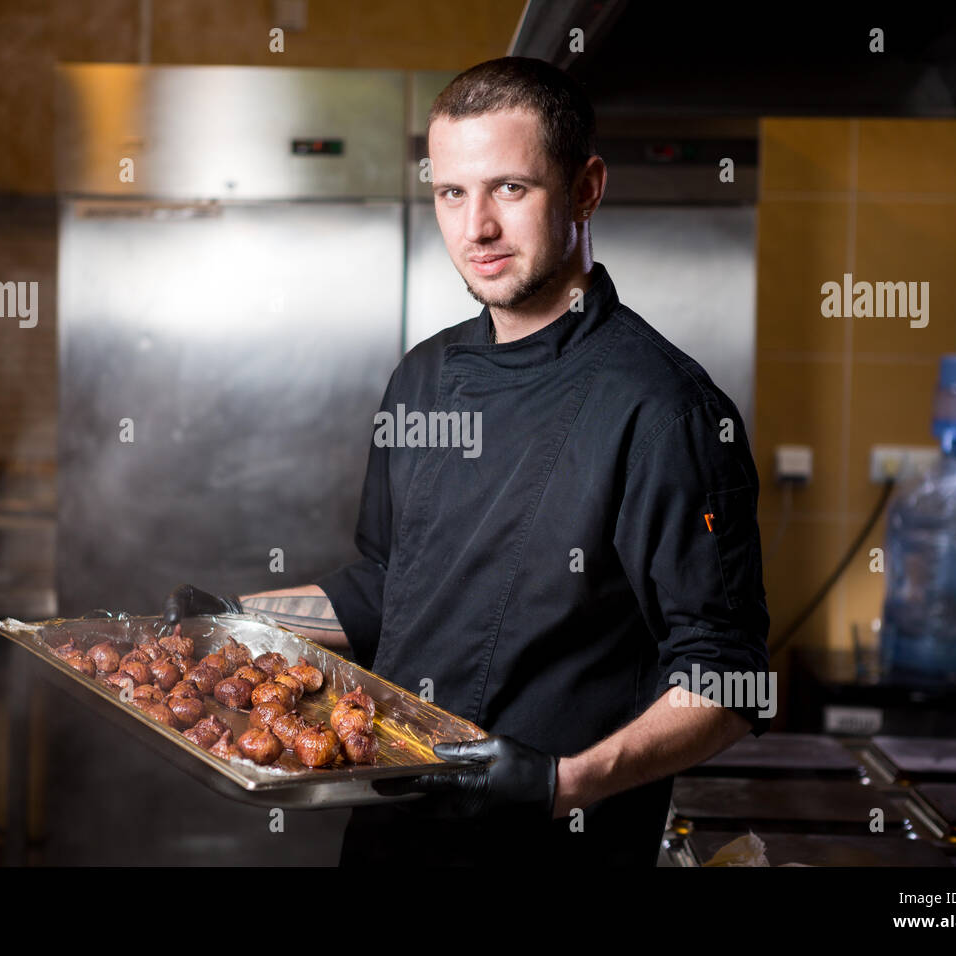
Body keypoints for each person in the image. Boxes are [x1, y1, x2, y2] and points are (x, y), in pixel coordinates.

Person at [165, 56, 771, 866]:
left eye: (510, 189)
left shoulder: (665, 410)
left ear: (586, 188)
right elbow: (390, 585)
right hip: (390, 839)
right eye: (453, 192)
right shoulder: (422, 377)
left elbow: (730, 682)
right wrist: (236, 621)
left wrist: (563, 783)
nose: (476, 227)